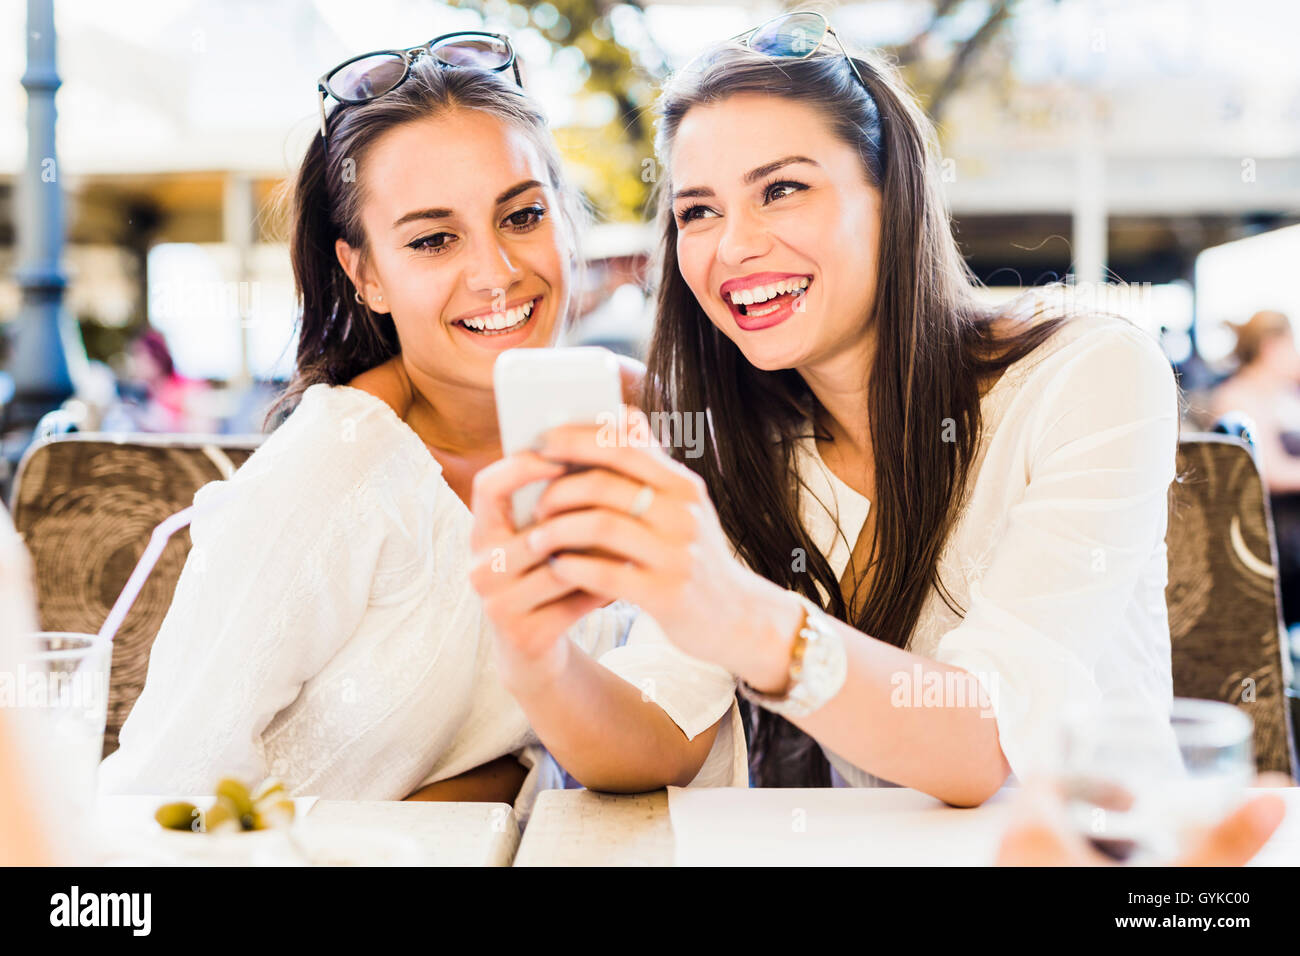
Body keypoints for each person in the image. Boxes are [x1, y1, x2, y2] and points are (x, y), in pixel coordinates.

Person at [475, 12, 1180, 803]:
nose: (732, 246)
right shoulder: (742, 443)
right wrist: (534, 657)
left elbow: (985, 741)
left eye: (782, 189)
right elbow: (654, 736)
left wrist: (736, 611)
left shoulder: (1090, 375)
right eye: (697, 210)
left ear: (893, 197)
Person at [99, 38, 742, 817]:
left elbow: (669, 725)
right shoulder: (331, 471)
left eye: (523, 214)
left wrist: (501, 780)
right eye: (434, 239)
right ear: (364, 273)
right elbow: (162, 792)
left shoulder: (655, 434)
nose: (497, 271)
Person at [1210, 310, 1300, 625]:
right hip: (1273, 528)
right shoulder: (1240, 397)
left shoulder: (1284, 395)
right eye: (1292, 344)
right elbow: (1271, 473)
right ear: (1271, 347)